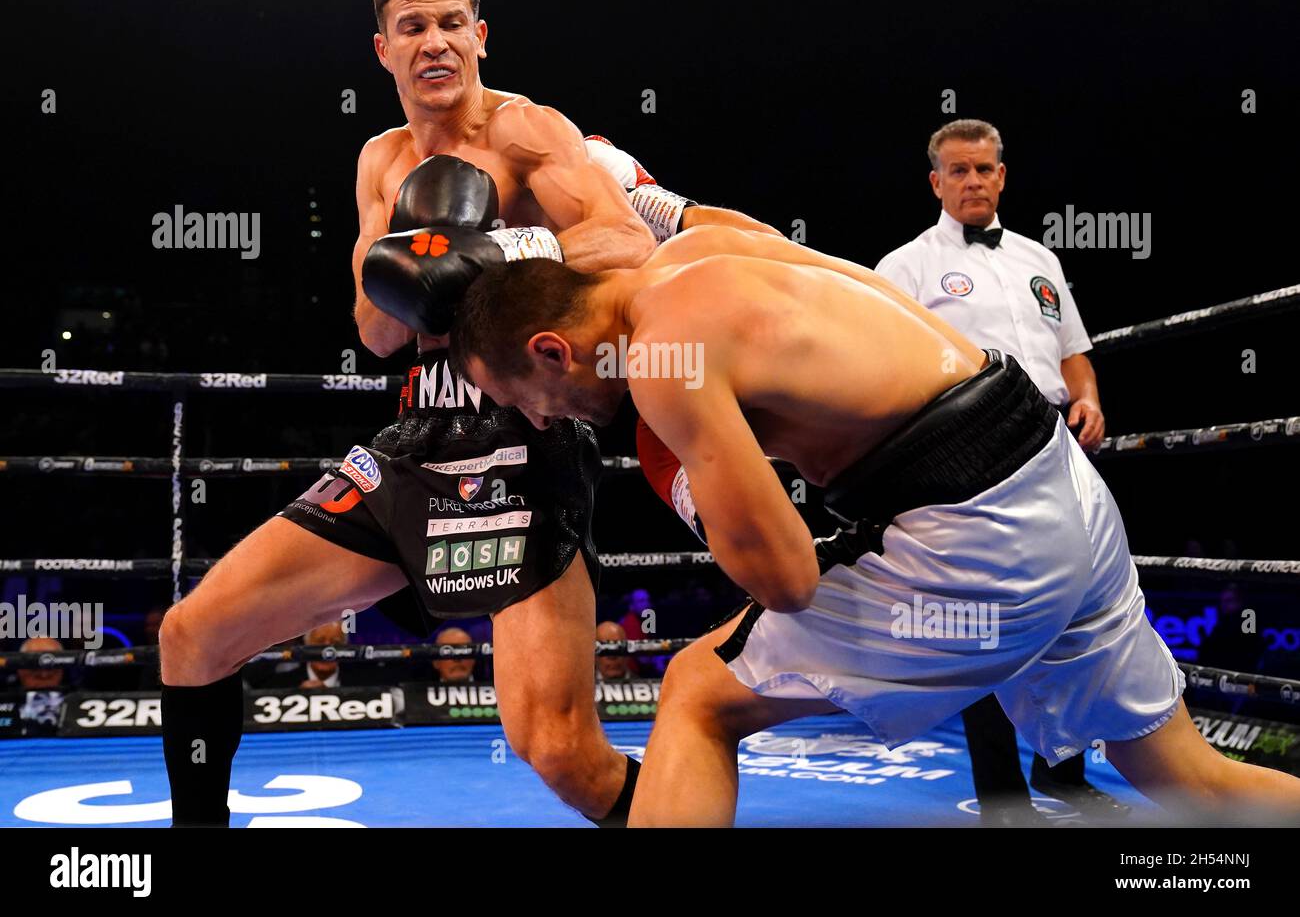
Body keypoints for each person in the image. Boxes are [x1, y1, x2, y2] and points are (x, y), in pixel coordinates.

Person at [159, 0, 776, 828]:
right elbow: (374, 335)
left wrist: (488, 252)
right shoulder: (380, 159)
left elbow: (627, 249)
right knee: (191, 636)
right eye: (414, 27)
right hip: (417, 443)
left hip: (527, 443)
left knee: (560, 750)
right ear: (385, 50)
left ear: (480, 35)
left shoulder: (530, 132)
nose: (436, 42)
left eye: (452, 23)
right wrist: (415, 259)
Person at [449, 224, 1300, 826]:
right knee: (1190, 778)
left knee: (698, 693)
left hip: (978, 531)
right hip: (1062, 486)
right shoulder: (701, 250)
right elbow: (667, 209)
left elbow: (788, 581)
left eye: (524, 400)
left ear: (554, 351)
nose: (544, 421)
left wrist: (684, 487)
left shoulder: (662, 361)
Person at [876, 118, 1118, 824]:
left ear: (1002, 175)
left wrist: (1090, 397)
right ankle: (1002, 799)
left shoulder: (1039, 258)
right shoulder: (906, 266)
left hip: (1055, 442)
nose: (973, 181)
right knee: (981, 622)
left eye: (984, 169)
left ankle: (1064, 772)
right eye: (958, 170)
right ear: (936, 182)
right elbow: (885, 364)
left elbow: (1072, 348)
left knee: (1073, 610)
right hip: (966, 446)